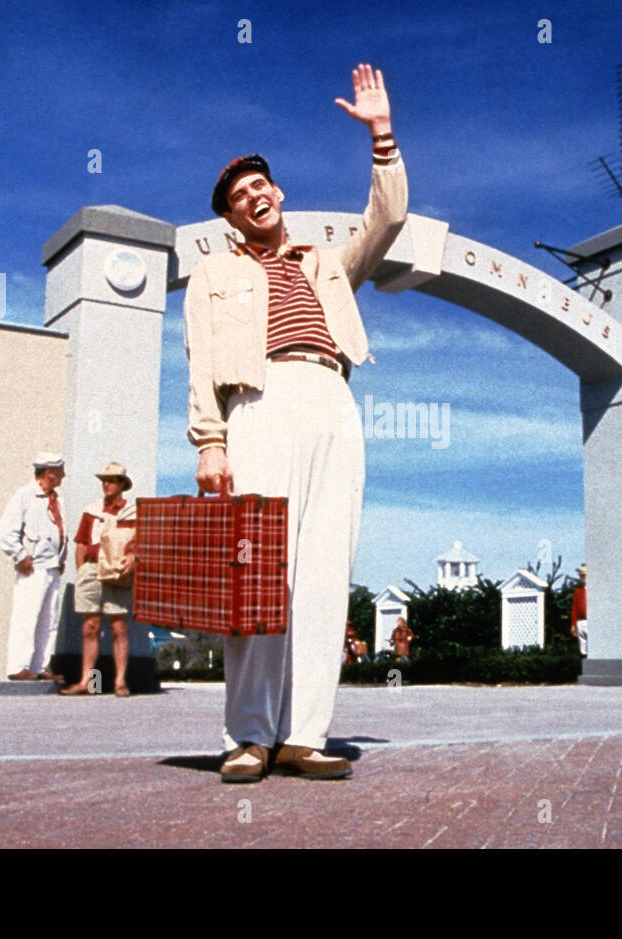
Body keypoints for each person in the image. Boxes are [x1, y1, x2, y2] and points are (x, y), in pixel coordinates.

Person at [185, 63, 407, 783]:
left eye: (260, 185)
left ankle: (304, 733)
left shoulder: (327, 264)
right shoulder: (213, 275)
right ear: (229, 217)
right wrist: (211, 442)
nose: (254, 197)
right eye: (238, 196)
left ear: (278, 193)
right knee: (260, 572)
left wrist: (380, 135)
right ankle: (247, 734)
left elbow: (390, 218)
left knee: (321, 575)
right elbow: (199, 363)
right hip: (258, 402)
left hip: (331, 397)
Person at [62, 462, 137, 697]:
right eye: (104, 480)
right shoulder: (92, 511)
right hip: (92, 570)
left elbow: (140, 543)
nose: (107, 484)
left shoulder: (132, 512)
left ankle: (120, 681)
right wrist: (82, 570)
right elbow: (81, 543)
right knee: (90, 626)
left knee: (118, 627)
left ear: (122, 484)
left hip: (116, 571)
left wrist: (133, 559)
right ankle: (89, 682)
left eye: (112, 480)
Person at [0, 452, 68, 681]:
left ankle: (40, 666)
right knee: (26, 617)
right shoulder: (24, 496)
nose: (63, 475)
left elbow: (59, 532)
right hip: (33, 567)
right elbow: (6, 532)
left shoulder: (57, 500)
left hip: (52, 566)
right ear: (49, 472)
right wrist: (20, 556)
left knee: (49, 619)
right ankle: (18, 666)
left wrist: (61, 558)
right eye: (59, 471)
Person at [570, 564, 588, 656]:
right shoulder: (578, 591)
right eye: (582, 576)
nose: (583, 578)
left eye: (585, 575)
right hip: (581, 622)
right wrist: (573, 624)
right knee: (583, 648)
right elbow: (575, 609)